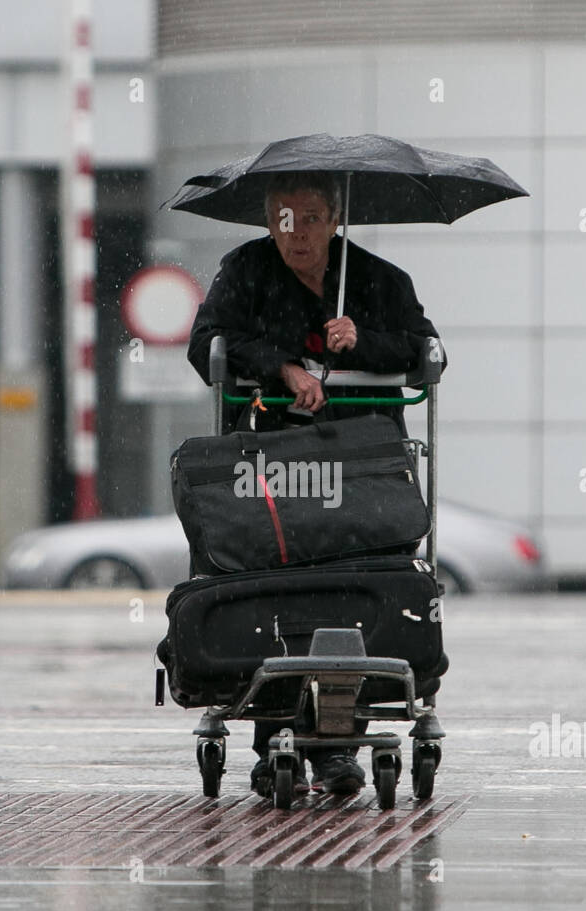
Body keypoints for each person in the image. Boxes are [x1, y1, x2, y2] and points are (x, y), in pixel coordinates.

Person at [186, 172, 443, 797]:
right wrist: (281, 365)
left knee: (350, 589)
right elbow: (207, 344)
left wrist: (365, 340)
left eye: (308, 218)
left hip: (360, 466)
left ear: (335, 221)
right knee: (273, 590)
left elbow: (427, 349)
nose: (294, 233)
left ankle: (334, 744)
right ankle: (273, 733)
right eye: (281, 219)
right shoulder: (244, 271)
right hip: (272, 461)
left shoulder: (380, 280)